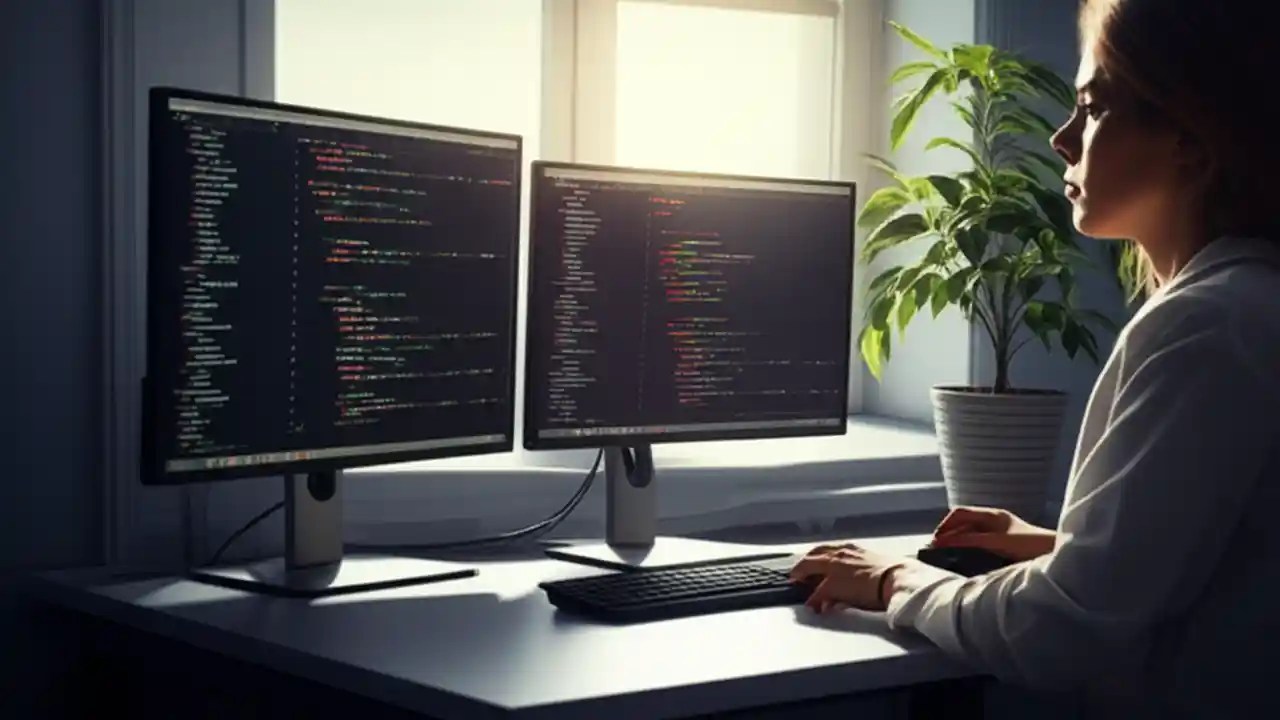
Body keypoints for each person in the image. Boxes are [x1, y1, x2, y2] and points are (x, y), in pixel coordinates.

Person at [789, 0, 1280, 716]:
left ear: (1192, 135)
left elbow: (1063, 633)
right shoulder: (1249, 302)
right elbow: (1236, 561)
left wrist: (898, 581)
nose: (1061, 138)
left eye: (1094, 107)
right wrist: (1060, 546)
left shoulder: (1208, 326)